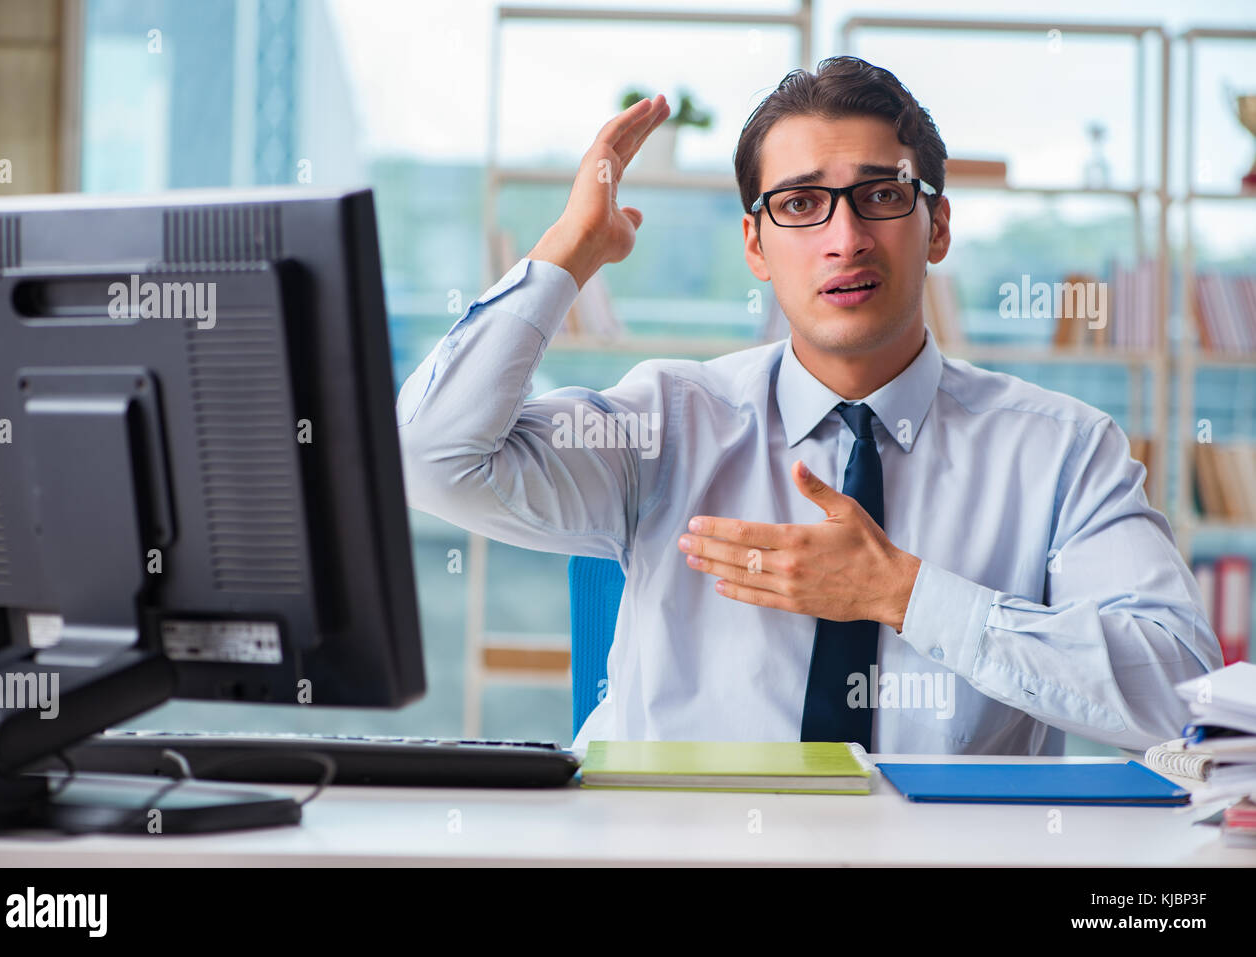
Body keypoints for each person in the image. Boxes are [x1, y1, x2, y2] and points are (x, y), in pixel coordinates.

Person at [396, 56, 1222, 757]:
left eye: (882, 197)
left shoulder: (1063, 450)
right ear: (756, 246)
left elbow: (1183, 694)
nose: (845, 238)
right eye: (799, 205)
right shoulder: (666, 421)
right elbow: (430, 458)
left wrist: (905, 594)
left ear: (936, 225)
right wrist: (569, 252)